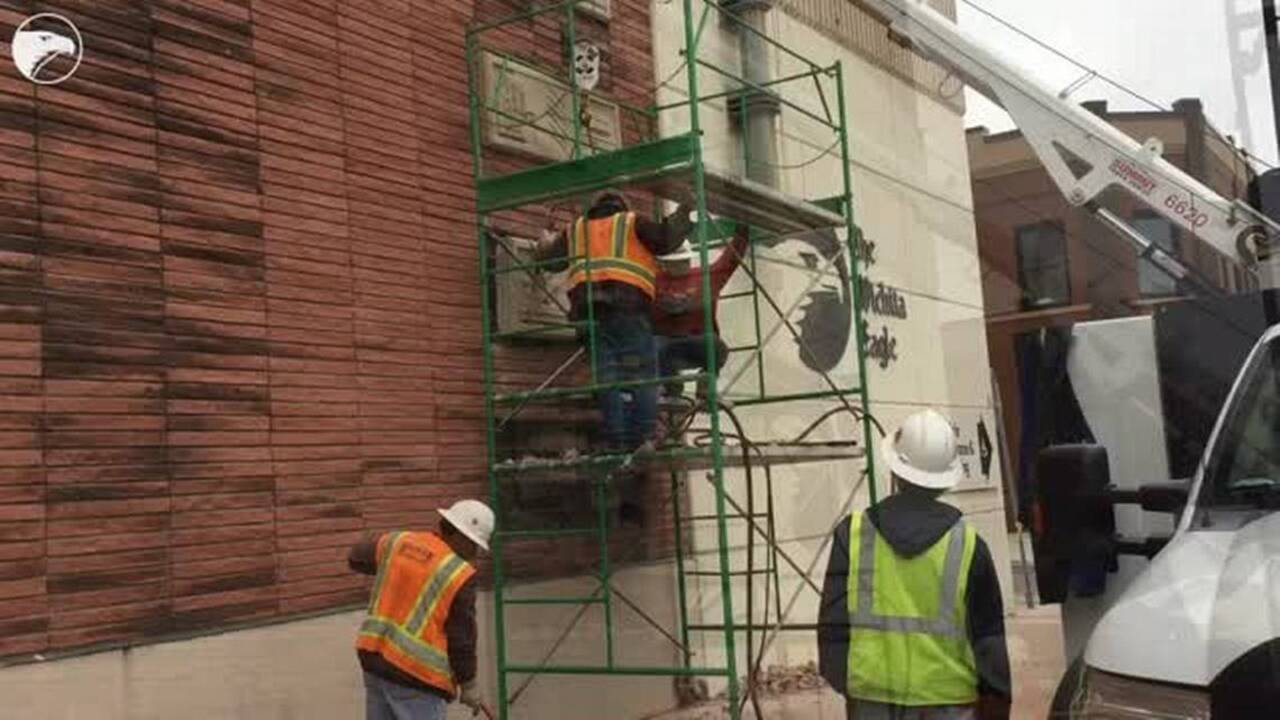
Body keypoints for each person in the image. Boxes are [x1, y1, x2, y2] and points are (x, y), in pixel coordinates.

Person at [819, 409, 1011, 720]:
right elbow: (989, 640)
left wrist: (854, 688)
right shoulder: (968, 545)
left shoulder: (852, 534)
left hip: (870, 703)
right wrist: (997, 705)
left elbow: (832, 628)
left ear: (895, 471)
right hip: (949, 705)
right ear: (945, 481)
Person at [536, 192, 691, 452]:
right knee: (641, 375)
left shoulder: (575, 231)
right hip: (627, 310)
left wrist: (544, 242)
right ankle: (641, 439)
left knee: (608, 378)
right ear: (621, 207)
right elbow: (667, 239)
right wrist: (684, 211)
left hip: (589, 317)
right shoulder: (631, 222)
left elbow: (550, 260)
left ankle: (616, 441)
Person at [349, 499, 496, 720]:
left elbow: (356, 557)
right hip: (416, 676)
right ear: (460, 535)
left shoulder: (399, 542)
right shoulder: (459, 573)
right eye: (474, 543)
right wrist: (469, 685)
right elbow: (462, 639)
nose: (474, 552)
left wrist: (403, 569)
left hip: (375, 662)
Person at [654, 223, 750, 401]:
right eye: (675, 262)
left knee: (717, 348)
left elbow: (730, 260)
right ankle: (671, 388)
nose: (681, 265)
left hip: (696, 341)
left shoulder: (706, 277)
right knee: (653, 346)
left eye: (684, 261)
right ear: (664, 263)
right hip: (666, 342)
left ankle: (705, 388)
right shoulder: (655, 281)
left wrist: (742, 234)